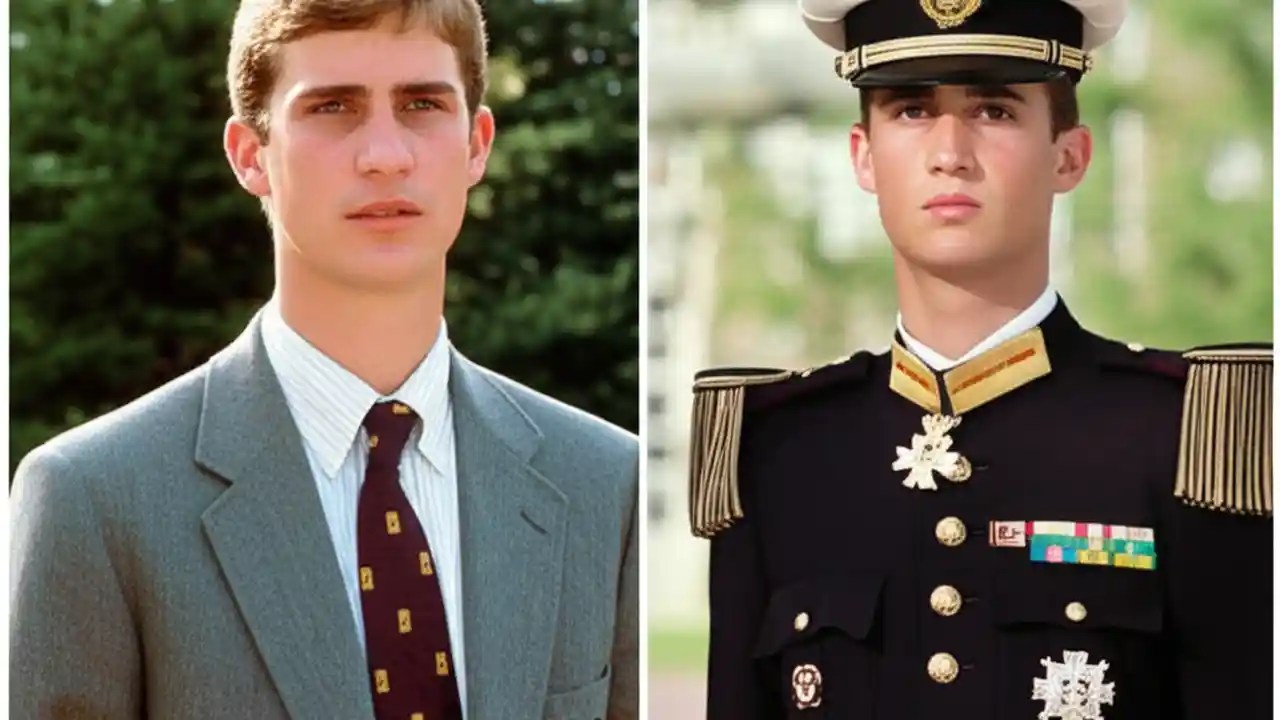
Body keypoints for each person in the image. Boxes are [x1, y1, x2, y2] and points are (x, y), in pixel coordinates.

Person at [11, 1, 638, 718]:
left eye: (423, 104)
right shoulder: (95, 500)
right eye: (334, 106)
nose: (385, 154)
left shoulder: (603, 485)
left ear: (476, 144)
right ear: (250, 155)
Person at [687, 0, 1271, 718]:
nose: (949, 152)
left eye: (994, 111)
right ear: (862, 157)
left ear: (1069, 156)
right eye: (910, 110)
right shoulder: (778, 451)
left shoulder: (1187, 438)